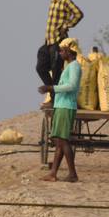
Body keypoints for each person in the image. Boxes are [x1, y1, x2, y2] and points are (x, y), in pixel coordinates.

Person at [36, 0, 83, 103]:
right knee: (40, 67)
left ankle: (55, 97)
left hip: (58, 41)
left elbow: (78, 14)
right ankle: (52, 91)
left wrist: (67, 25)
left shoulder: (65, 1)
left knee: (56, 70)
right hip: (48, 41)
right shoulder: (53, 0)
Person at [40, 40, 81, 182]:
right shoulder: (69, 66)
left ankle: (73, 174)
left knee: (63, 141)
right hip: (61, 105)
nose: (60, 53)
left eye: (62, 51)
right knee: (59, 141)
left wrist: (51, 88)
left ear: (69, 52)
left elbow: (72, 86)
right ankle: (53, 173)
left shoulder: (74, 66)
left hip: (66, 106)